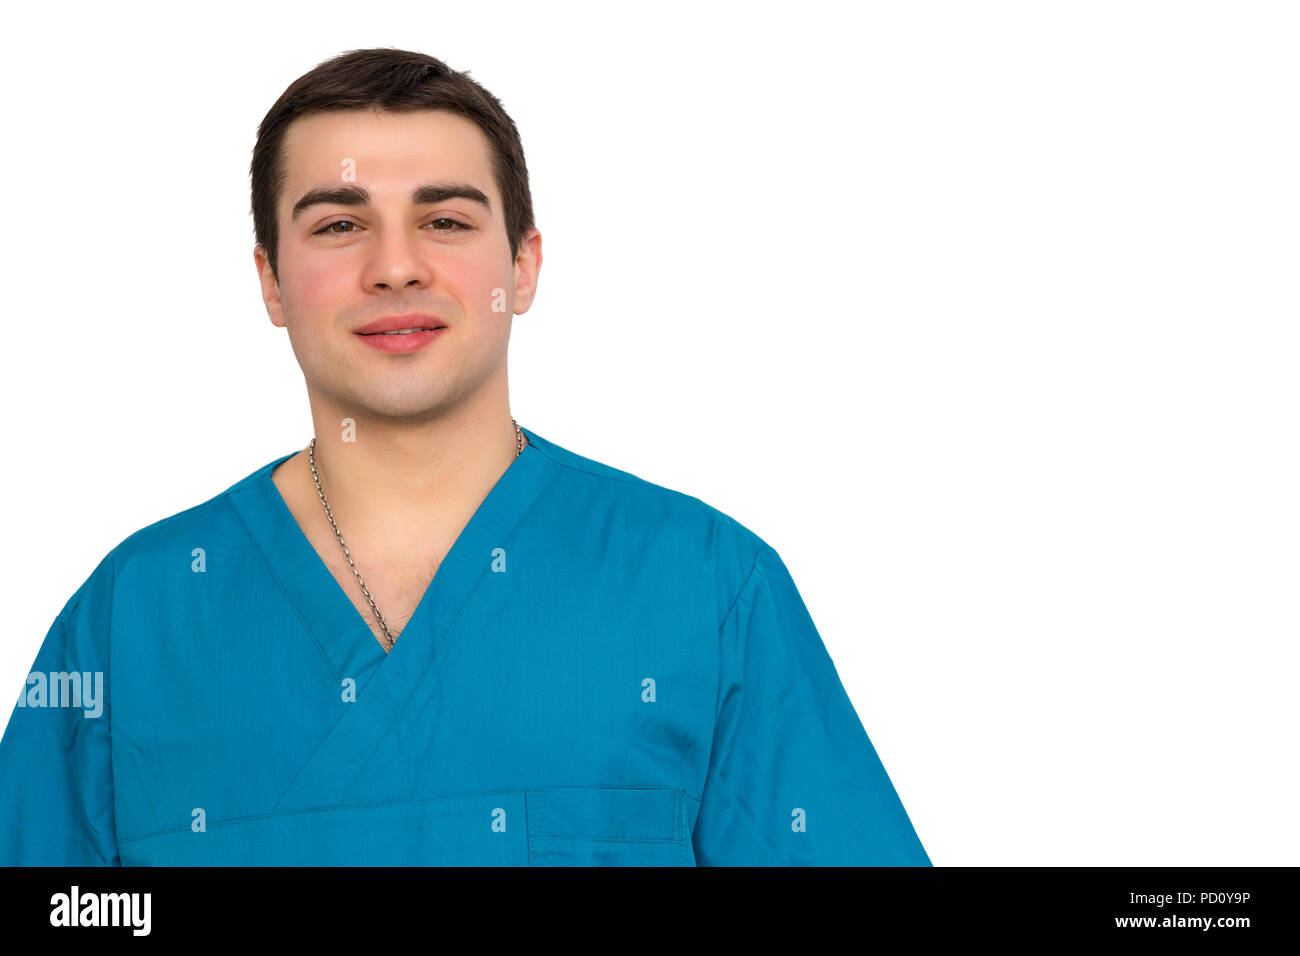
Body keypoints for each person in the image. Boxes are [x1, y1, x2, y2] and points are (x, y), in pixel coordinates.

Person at [0, 47, 930, 866]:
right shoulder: (132, 621)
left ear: (523, 268)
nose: (395, 266)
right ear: (271, 282)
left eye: (445, 221)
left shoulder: (703, 589)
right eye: (337, 224)